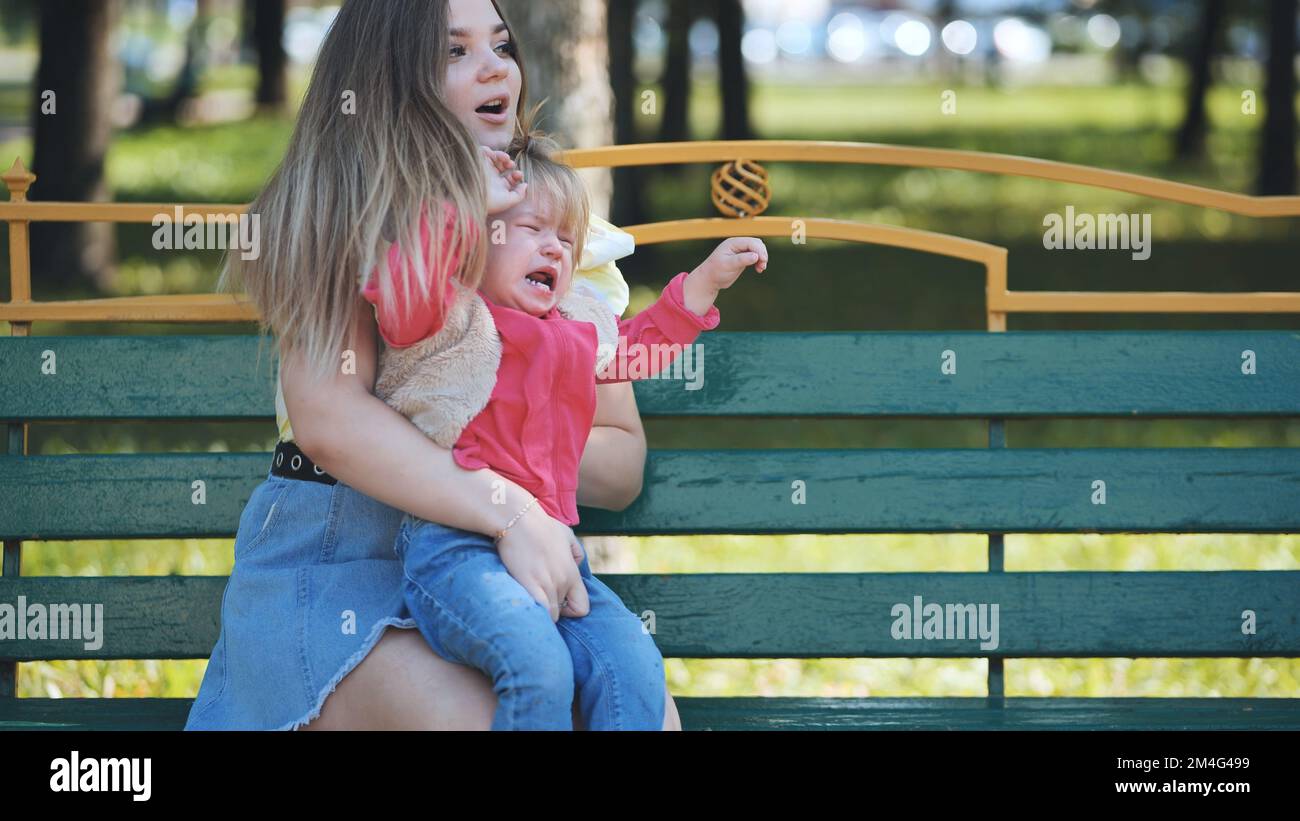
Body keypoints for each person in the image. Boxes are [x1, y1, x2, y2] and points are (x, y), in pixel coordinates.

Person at [185, 0, 680, 730]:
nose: (494, 68)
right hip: (340, 549)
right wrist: (504, 504)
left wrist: (506, 450)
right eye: (454, 51)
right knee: (476, 715)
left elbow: (620, 457)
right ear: (387, 78)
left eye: (502, 45)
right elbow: (329, 418)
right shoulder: (344, 209)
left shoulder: (555, 233)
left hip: (494, 559)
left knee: (641, 709)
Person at [365, 129, 766, 729]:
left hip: (556, 549)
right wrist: (454, 208)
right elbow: (399, 291)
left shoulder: (574, 324)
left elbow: (630, 353)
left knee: (632, 669)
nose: (554, 249)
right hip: (455, 548)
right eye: (531, 229)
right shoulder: (445, 317)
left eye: (567, 239)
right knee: (538, 665)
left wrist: (702, 285)